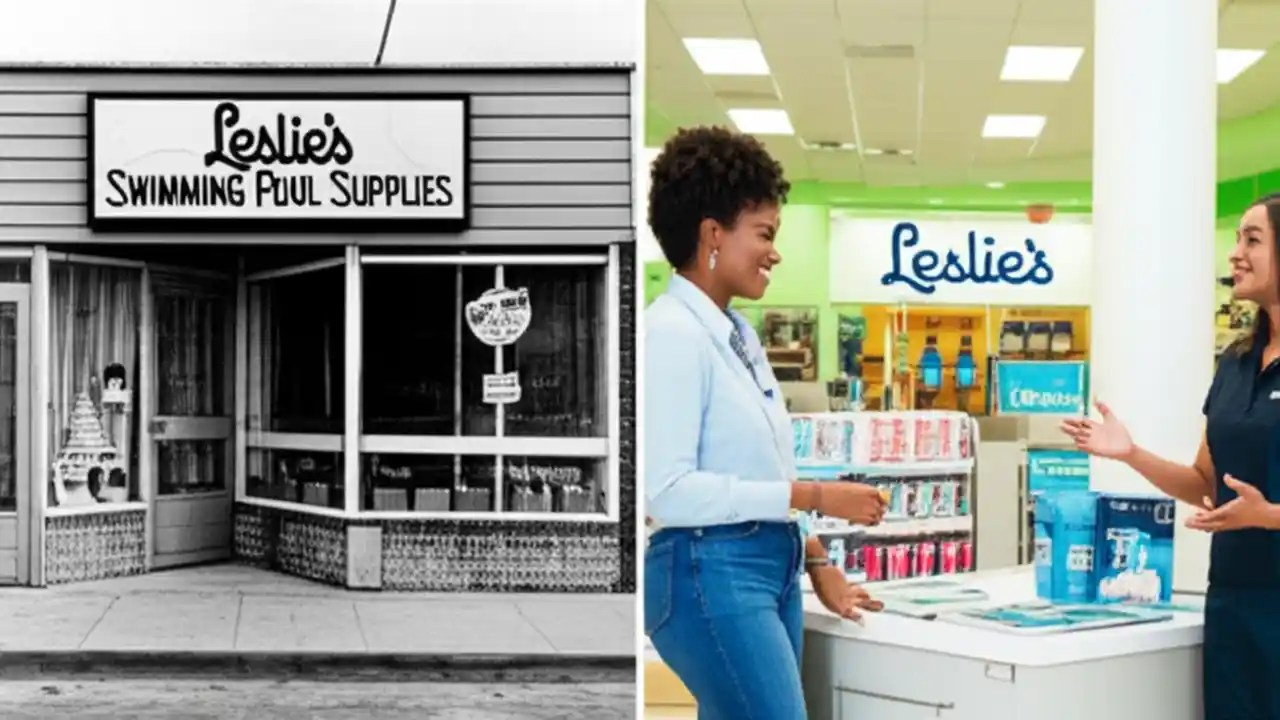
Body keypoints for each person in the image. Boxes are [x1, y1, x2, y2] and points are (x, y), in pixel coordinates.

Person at [643, 125, 888, 720]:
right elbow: (669, 492)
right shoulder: (672, 333)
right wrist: (818, 496)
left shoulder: (738, 334)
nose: (775, 251)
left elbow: (761, 469)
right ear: (712, 236)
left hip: (764, 570)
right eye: (765, 234)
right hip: (709, 572)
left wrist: (817, 559)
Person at [1062, 193, 1280, 720]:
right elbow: (1205, 481)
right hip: (1230, 596)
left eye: (1252, 239)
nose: (1235, 253)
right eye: (1236, 239)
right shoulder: (1234, 363)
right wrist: (1131, 454)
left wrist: (1268, 516)